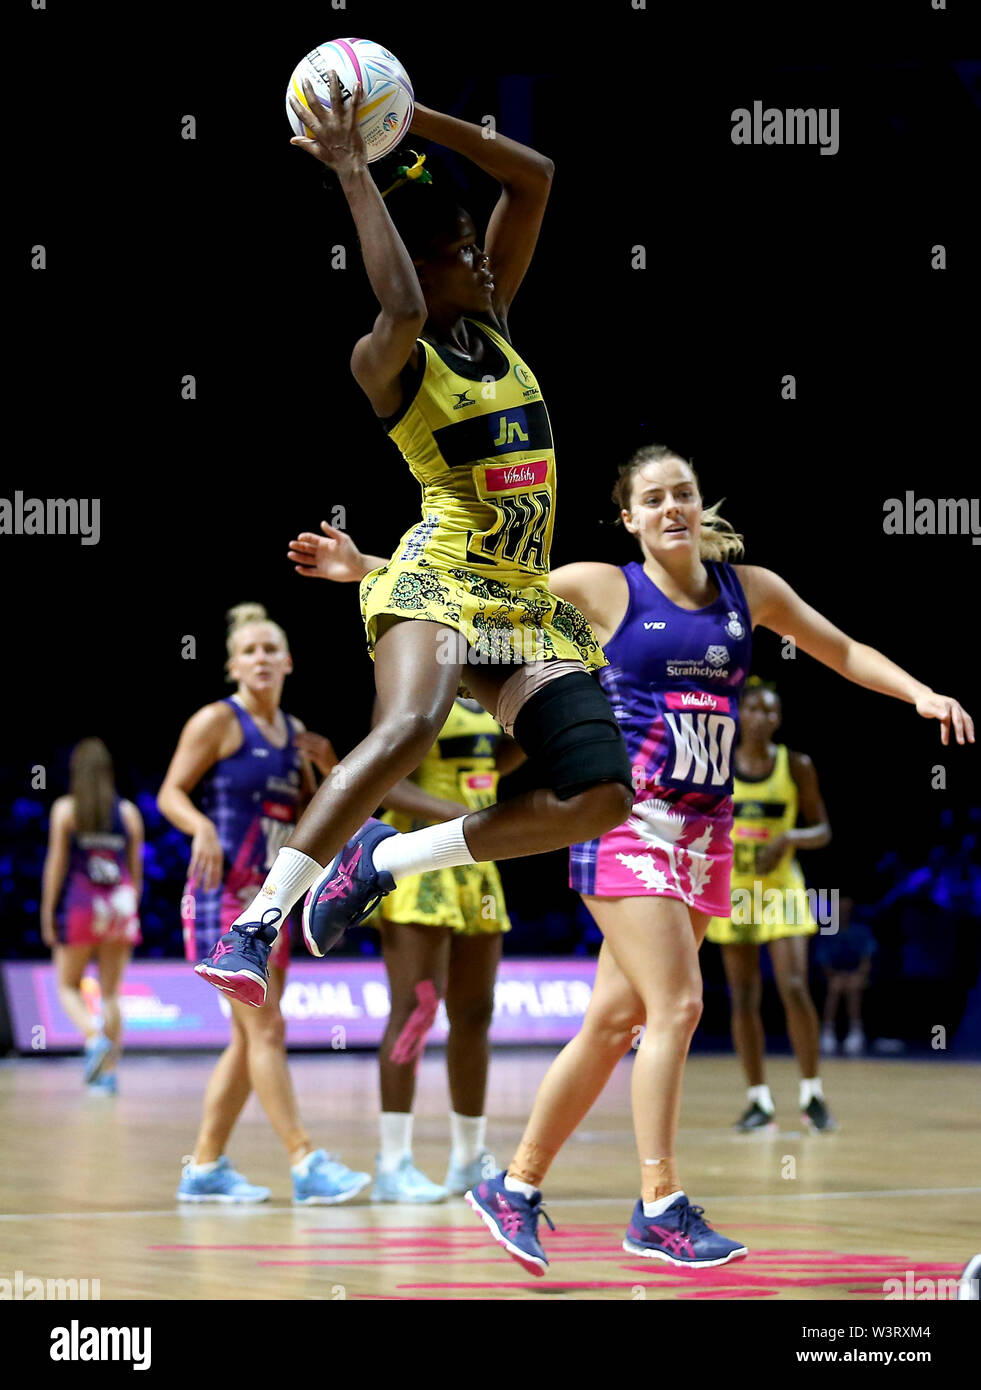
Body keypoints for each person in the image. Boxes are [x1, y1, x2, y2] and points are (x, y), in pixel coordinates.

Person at [287, 445, 973, 1273]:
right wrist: (366, 565)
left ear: (699, 504)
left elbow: (840, 649)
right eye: (653, 498)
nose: (672, 507)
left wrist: (919, 693)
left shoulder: (746, 590)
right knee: (677, 1007)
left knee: (615, 1023)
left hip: (705, 837)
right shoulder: (600, 586)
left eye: (682, 492)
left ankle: (514, 1186)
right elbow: (469, 588)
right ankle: (659, 1205)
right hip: (629, 824)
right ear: (630, 518)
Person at [194, 74, 635, 1008]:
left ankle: (388, 859)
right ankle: (259, 922)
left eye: (475, 247)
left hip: (517, 602)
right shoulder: (391, 358)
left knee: (601, 794)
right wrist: (357, 169)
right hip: (434, 583)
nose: (476, 262)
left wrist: (410, 117)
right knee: (410, 726)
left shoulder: (493, 324)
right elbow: (395, 305)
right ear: (413, 264)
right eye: (453, 252)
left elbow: (538, 178)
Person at [157, 603, 370, 1204]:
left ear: (288, 662)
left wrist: (328, 762)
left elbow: (318, 816)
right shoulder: (216, 723)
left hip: (270, 904)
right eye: (249, 651)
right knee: (267, 1029)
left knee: (249, 1037)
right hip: (220, 899)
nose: (260, 659)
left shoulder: (298, 736)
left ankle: (204, 1168)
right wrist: (198, 825)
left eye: (270, 649)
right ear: (231, 666)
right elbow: (170, 791)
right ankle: (305, 1162)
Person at [359, 697, 526, 1202]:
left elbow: (497, 759)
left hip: (476, 861)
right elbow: (382, 781)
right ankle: (393, 1164)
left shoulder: (486, 700)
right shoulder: (416, 692)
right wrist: (453, 814)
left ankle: (468, 1161)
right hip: (421, 856)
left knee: (475, 1012)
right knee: (415, 1010)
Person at [704, 679, 837, 1132]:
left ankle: (811, 1093)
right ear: (740, 715)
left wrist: (789, 838)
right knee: (742, 996)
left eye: (770, 711)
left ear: (778, 719)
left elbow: (822, 830)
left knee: (795, 985)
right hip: (736, 890)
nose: (762, 717)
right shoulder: (717, 764)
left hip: (781, 889)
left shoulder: (796, 765)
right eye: (754, 709)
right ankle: (758, 1100)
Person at [40, 738, 143, 1094]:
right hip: (121, 906)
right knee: (112, 994)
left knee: (67, 986)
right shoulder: (129, 813)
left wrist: (47, 911)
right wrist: (132, 911)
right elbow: (135, 871)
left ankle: (93, 1035)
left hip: (83, 906)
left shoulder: (66, 810)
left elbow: (56, 866)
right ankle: (108, 1076)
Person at [815, 896, 878, 1056]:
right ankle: (827, 1032)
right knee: (836, 986)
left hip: (857, 975)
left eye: (847, 909)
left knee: (853, 985)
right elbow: (823, 961)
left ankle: (855, 1032)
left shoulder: (861, 931)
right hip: (835, 975)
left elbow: (867, 957)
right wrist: (834, 975)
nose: (843, 912)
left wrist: (859, 974)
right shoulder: (828, 931)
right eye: (840, 909)